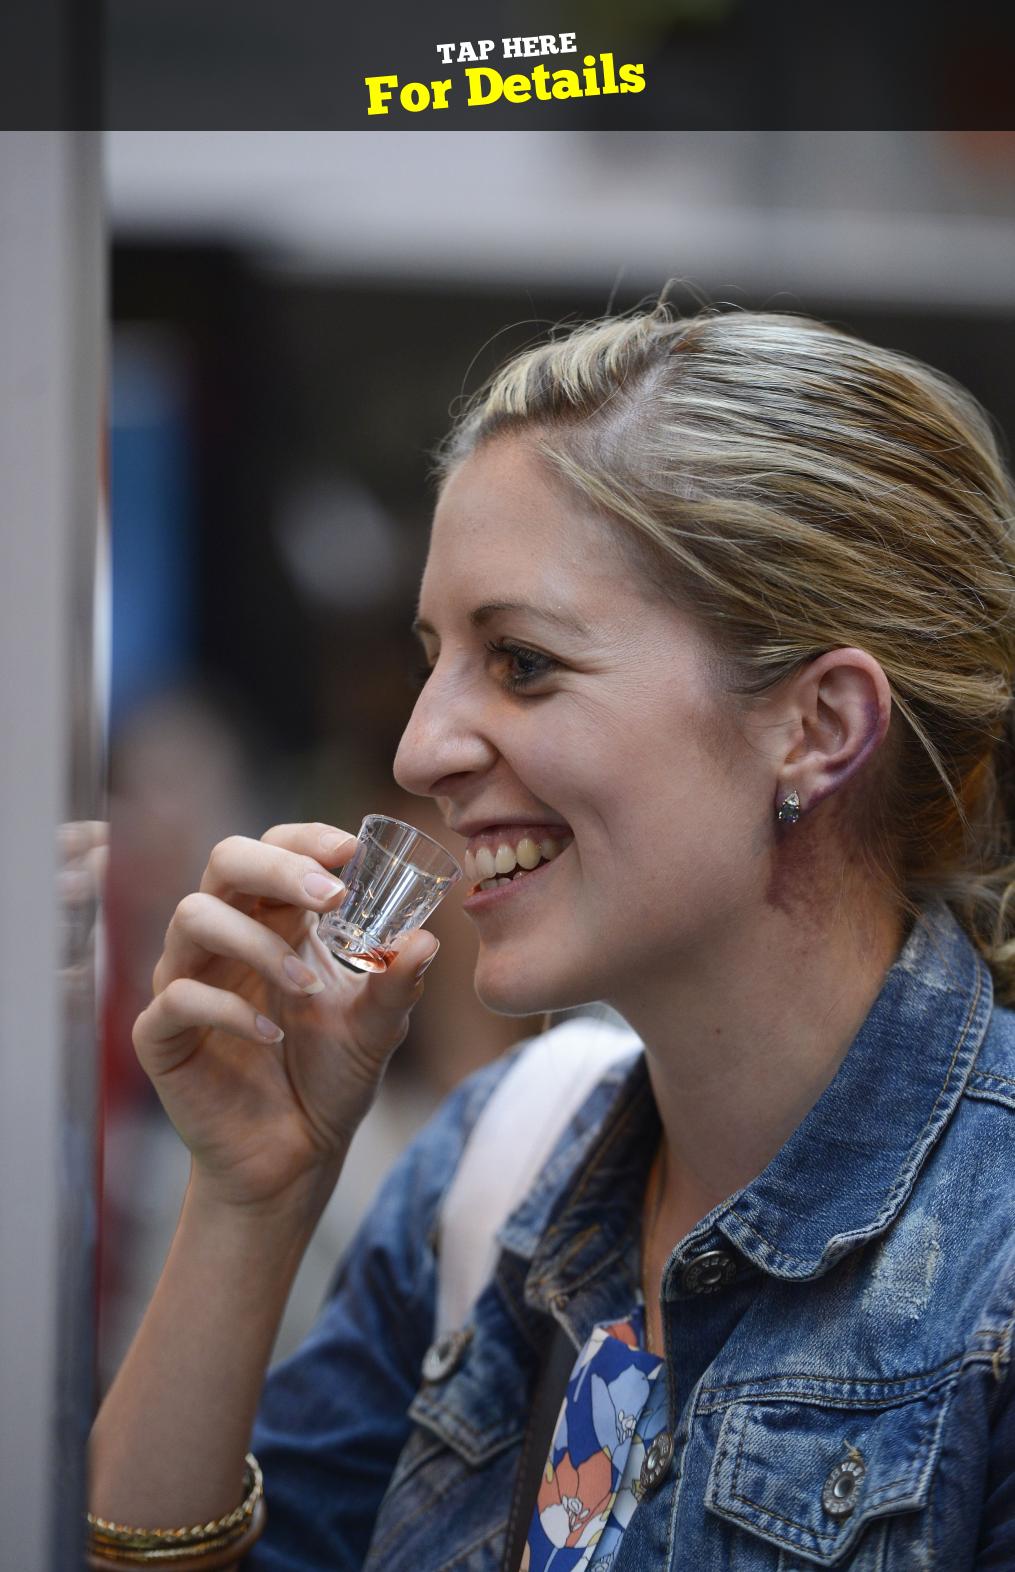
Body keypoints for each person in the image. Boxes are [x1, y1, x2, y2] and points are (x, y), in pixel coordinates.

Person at [87, 300, 1015, 1571]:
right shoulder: (490, 1165)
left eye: (519, 662)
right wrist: (251, 1202)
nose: (420, 749)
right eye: (432, 659)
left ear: (818, 727)